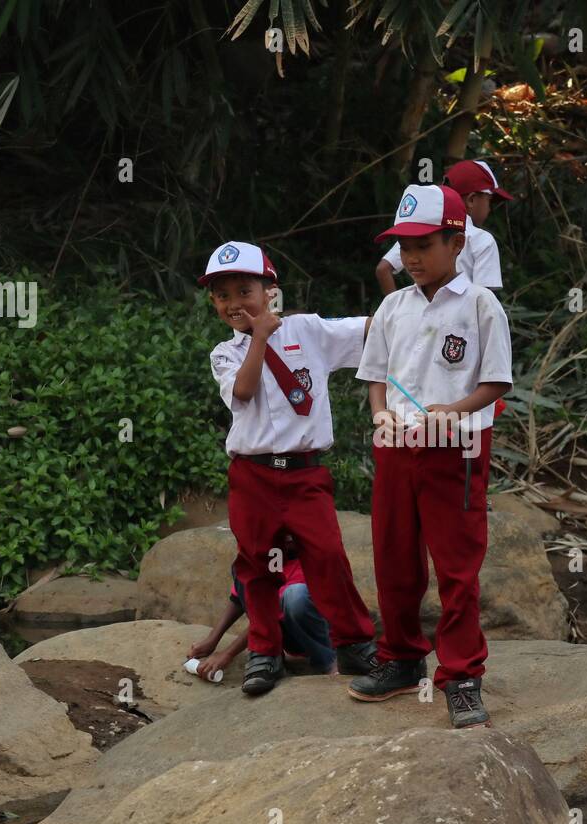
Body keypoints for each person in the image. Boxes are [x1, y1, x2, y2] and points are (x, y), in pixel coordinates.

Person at [352, 184, 513, 728]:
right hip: (398, 446)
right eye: (403, 246)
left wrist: (456, 408)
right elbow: (376, 377)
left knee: (456, 563)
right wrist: (381, 414)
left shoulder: (479, 304)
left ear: (456, 240)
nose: (411, 257)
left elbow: (496, 381)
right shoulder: (393, 305)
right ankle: (400, 656)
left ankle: (463, 675)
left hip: (457, 447)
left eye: (424, 244)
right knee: (394, 553)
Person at [204, 240, 378, 695]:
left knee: (328, 557)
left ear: (271, 291)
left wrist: (424, 304)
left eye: (245, 290)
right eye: (222, 295)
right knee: (256, 564)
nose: (234, 303)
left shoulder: (310, 330)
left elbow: (373, 330)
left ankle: (356, 643)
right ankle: (265, 652)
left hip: (304, 472)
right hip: (253, 474)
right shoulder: (225, 353)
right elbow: (242, 394)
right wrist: (259, 336)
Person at [187, 535, 338, 679]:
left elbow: (269, 616)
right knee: (246, 568)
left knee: (295, 596)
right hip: (287, 632)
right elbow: (238, 600)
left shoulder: (309, 560)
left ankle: (329, 662)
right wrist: (212, 640)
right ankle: (273, 655)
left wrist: (227, 654)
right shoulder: (274, 556)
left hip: (317, 634)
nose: (288, 536)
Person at [374, 159, 512, 296]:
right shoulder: (483, 240)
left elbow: (383, 269)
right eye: (489, 200)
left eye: (423, 246)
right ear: (471, 199)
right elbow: (483, 300)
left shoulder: (418, 231)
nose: (489, 209)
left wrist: (396, 311)